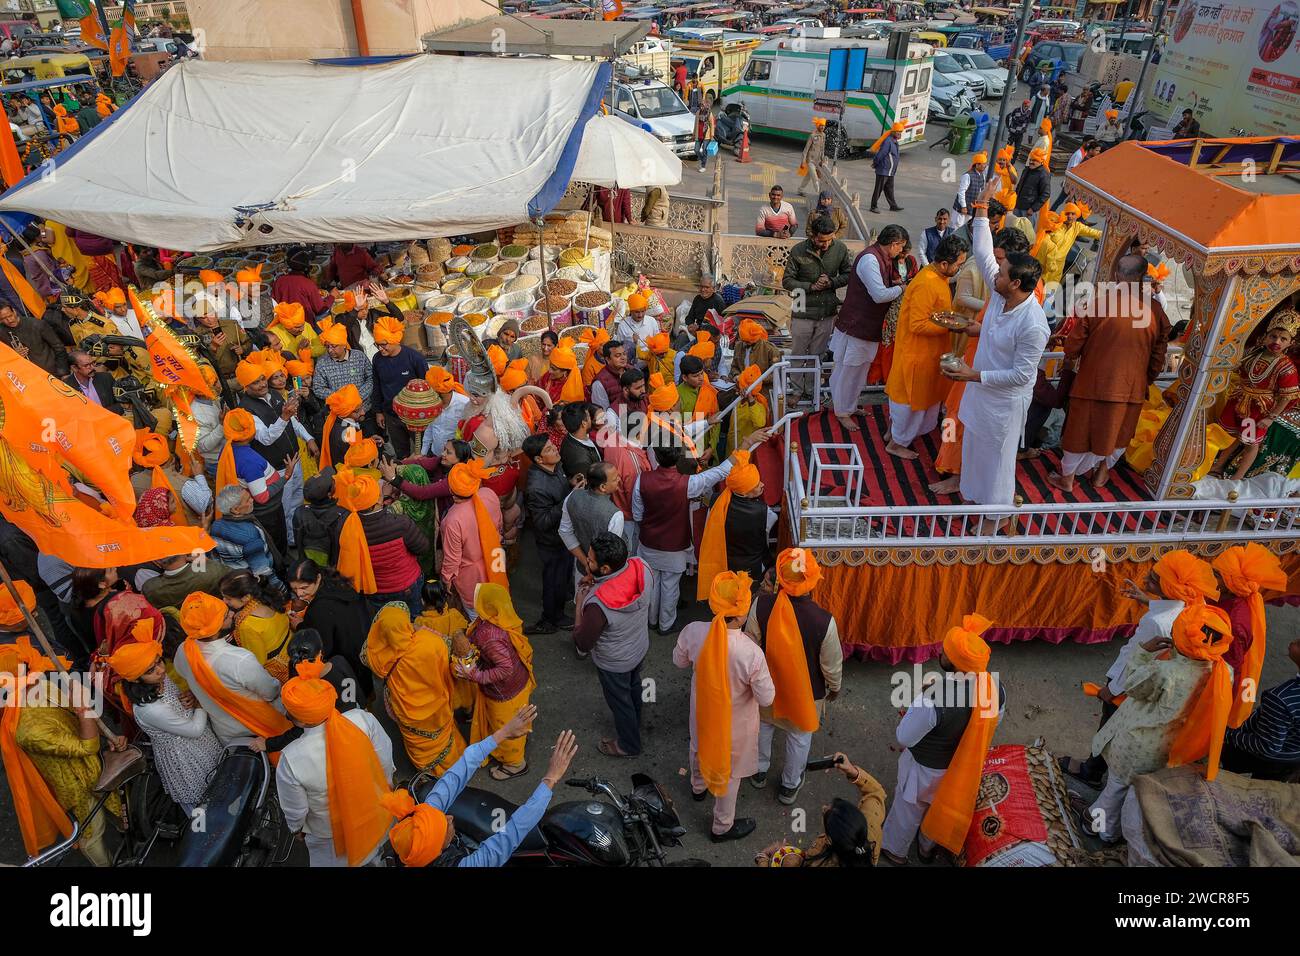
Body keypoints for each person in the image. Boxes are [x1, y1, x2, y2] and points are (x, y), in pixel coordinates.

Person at [1059, 550, 1217, 788]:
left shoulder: (1156, 623)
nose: (1145, 579)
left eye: (1153, 579)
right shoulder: (1191, 607)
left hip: (1129, 684)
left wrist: (1111, 690)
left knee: (1109, 727)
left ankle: (1091, 771)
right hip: (1149, 683)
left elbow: (1135, 658)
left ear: (1169, 589)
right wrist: (1147, 599)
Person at [1084, 603, 1234, 843]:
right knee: (1136, 791)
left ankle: (1103, 830)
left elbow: (1132, 685)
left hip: (1138, 744)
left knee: (1115, 789)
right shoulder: (1224, 672)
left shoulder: (1165, 672)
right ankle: (1122, 828)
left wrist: (1143, 652)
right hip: (1171, 748)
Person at [942, 183, 1049, 516]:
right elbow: (985, 253)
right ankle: (974, 500)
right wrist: (983, 206)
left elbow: (1020, 376)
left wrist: (972, 375)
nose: (994, 274)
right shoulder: (1003, 295)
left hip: (1003, 404)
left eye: (1001, 273)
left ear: (1016, 283)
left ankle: (996, 518)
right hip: (980, 395)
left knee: (997, 464)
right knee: (973, 452)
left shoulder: (1033, 324)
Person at [384, 706, 578, 867]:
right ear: (440, 848)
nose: (450, 817)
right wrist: (550, 778)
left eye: (442, 816)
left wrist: (503, 733)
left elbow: (455, 776)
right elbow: (512, 833)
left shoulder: (421, 824)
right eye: (445, 825)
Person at [880, 614, 1003, 865]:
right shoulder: (996, 688)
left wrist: (917, 704)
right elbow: (992, 723)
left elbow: (904, 737)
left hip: (927, 769)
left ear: (955, 663)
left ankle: (895, 851)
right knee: (942, 807)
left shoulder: (934, 699)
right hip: (963, 766)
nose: (941, 652)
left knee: (909, 808)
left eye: (945, 651)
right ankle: (927, 849)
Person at [1049, 254, 1170, 492]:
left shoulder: (1099, 303)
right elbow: (1159, 354)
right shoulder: (1155, 309)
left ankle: (1067, 479)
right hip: (1131, 387)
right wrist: (1146, 379)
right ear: (1143, 277)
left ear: (1116, 276)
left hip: (1092, 383)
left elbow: (1073, 347)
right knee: (1119, 434)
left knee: (1079, 433)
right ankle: (1101, 474)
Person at [634, 429, 770, 633]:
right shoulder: (688, 484)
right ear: (679, 457)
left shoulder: (641, 480)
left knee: (652, 584)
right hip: (674, 545)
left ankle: (651, 621)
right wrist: (746, 443)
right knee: (670, 586)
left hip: (648, 542)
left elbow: (638, 515)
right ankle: (666, 624)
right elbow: (722, 471)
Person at [673, 571, 775, 842]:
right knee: (729, 773)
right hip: (736, 726)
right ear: (742, 613)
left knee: (697, 746)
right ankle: (722, 826)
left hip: (701, 712)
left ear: (713, 604)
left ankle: (697, 787)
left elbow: (679, 662)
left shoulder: (694, 631)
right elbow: (767, 698)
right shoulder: (750, 652)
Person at [3, 639, 125, 866]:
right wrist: (84, 709)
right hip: (75, 785)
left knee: (119, 810)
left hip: (95, 763)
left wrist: (109, 735)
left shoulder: (42, 687)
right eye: (28, 667)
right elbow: (87, 745)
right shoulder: (28, 731)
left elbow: (77, 719)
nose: (37, 668)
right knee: (92, 834)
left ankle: (128, 836)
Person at [277, 657, 396, 866]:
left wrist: (297, 830)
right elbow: (385, 759)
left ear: (301, 720)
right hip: (376, 811)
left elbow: (296, 810)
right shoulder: (361, 719)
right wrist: (386, 786)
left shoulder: (290, 759)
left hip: (330, 835)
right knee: (379, 853)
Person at [747, 548, 843, 803]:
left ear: (779, 577)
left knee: (763, 727)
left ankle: (758, 772)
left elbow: (751, 646)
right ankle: (789, 785)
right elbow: (831, 665)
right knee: (799, 738)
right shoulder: (824, 621)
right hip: (806, 692)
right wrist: (834, 687)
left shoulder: (761, 605)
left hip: (767, 687)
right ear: (811, 581)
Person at [108, 624, 223, 815]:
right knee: (204, 810)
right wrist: (200, 703)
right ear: (136, 679)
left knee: (221, 793)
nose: (160, 670)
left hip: (202, 745)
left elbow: (181, 703)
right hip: (187, 759)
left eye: (159, 661)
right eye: (150, 670)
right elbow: (194, 730)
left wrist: (191, 697)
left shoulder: (158, 681)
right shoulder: (150, 709)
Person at [883, 234, 969, 459]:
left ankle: (894, 434)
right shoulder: (927, 283)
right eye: (958, 264)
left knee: (922, 401)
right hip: (917, 356)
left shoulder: (938, 279)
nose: (959, 269)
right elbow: (918, 324)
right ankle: (896, 442)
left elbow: (935, 314)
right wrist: (951, 327)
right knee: (910, 405)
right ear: (944, 264)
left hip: (929, 355)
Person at [172, 591, 292, 747]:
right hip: (259, 727)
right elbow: (271, 692)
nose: (232, 614)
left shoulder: (184, 650)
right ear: (215, 627)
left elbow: (185, 675)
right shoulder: (239, 660)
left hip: (227, 732)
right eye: (225, 615)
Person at [364, 602, 467, 777]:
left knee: (420, 745)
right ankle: (456, 765)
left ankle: (431, 774)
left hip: (407, 712)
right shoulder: (430, 642)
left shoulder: (377, 654)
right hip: (437, 705)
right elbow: (452, 657)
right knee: (443, 736)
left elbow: (366, 654)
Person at [573, 532, 652, 758]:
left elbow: (582, 642)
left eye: (590, 561)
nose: (586, 563)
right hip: (638, 647)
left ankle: (628, 745)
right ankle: (635, 720)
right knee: (634, 686)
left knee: (620, 702)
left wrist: (580, 603)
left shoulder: (598, 605)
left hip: (614, 662)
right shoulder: (641, 566)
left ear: (606, 569)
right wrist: (596, 579)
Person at [454, 583, 536, 780]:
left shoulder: (489, 635)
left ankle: (515, 764)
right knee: (515, 719)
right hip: (519, 681)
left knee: (507, 727)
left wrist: (474, 675)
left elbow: (504, 668)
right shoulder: (505, 619)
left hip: (503, 693)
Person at [829, 225, 907, 426]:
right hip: (857, 326)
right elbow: (880, 295)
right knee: (848, 371)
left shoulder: (884, 259)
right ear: (893, 244)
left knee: (859, 372)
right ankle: (841, 411)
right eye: (900, 247)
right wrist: (902, 288)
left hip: (867, 327)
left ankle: (849, 406)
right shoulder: (870, 259)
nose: (901, 252)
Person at [1211, 309, 1300, 480]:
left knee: (1250, 442)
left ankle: (1237, 477)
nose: (1277, 342)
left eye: (1283, 339)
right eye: (1273, 336)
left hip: (1257, 409)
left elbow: (1287, 396)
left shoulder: (1286, 367)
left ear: (1291, 343)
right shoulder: (1254, 353)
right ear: (1265, 336)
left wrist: (1271, 417)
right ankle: (1218, 465)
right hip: (1238, 400)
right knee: (1230, 434)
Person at [754, 752, 883, 866]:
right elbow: (876, 793)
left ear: (830, 840)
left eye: (825, 814)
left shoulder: (819, 862)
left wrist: (764, 858)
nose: (823, 807)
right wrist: (852, 771)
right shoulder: (871, 828)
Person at [783, 215, 853, 398]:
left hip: (826, 310)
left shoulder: (840, 249)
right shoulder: (798, 250)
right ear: (813, 236)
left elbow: (848, 274)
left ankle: (812, 391)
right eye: (823, 241)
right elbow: (787, 281)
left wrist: (831, 282)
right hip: (801, 308)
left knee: (817, 355)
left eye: (830, 240)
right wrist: (811, 286)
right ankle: (797, 391)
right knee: (798, 354)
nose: (827, 244)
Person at [287, 560, 373, 696]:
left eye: (304, 587)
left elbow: (322, 645)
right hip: (361, 648)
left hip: (347, 666)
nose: (299, 594)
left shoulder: (320, 610)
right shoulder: (337, 584)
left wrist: (300, 626)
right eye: (294, 589)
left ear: (318, 578)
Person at [1221, 637, 1300, 781]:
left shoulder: (1280, 699)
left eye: (1299, 643)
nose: (1294, 640)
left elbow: (1267, 747)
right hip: (1293, 755)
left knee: (1231, 779)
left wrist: (1226, 734)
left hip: (1268, 760)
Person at [519, 434, 575, 636]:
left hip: (564, 537)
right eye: (549, 450)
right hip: (552, 542)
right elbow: (542, 522)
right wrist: (570, 497)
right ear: (538, 460)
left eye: (553, 446)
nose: (555, 450)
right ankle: (550, 620)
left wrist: (570, 483)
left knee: (561, 578)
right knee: (553, 580)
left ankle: (556, 612)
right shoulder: (536, 487)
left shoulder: (555, 467)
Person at [696, 449, 769, 593]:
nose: (762, 484)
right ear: (744, 492)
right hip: (750, 569)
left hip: (723, 564)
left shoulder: (717, 501)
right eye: (756, 485)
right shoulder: (765, 512)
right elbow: (764, 543)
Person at [440, 460, 506, 617]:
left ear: (451, 490)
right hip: (496, 559)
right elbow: (500, 525)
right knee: (500, 607)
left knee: (479, 618)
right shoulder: (489, 495)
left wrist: (446, 579)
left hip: (472, 576)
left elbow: (452, 559)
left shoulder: (452, 520)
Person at [220, 569, 292, 683]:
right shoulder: (267, 597)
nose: (224, 601)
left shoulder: (246, 625)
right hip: (291, 647)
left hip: (279, 668)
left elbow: (258, 660)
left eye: (228, 598)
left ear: (246, 597)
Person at [372, 315, 429, 459]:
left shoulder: (414, 359)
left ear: (394, 340)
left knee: (421, 451)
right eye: (377, 344)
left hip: (414, 417)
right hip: (392, 417)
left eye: (384, 344)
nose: (380, 348)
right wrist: (379, 411)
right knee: (401, 453)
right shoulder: (377, 359)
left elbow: (428, 387)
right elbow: (377, 385)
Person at [560, 461, 625, 582]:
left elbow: (565, 532)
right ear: (603, 487)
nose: (619, 480)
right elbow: (611, 553)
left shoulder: (572, 497)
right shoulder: (615, 515)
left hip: (582, 568)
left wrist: (586, 563)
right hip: (604, 576)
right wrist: (592, 569)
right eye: (615, 478)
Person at [0, 304, 68, 376]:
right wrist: (14, 354)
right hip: (28, 375)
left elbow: (59, 347)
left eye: (10, 315)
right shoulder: (1, 332)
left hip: (51, 372)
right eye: (4, 318)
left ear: (14, 311)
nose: (10, 320)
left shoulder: (37, 324)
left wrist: (63, 372)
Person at [272, 249, 334, 324]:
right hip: (304, 327)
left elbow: (274, 305)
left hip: (284, 325)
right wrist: (331, 297)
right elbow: (320, 309)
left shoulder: (278, 281)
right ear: (306, 267)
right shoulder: (308, 284)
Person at [420, 366, 470, 457]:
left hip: (454, 460)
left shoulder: (465, 404)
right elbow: (429, 429)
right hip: (434, 453)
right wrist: (423, 453)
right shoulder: (432, 404)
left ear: (441, 393)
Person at [63, 349, 122, 413]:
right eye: (86, 365)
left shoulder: (106, 378)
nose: (92, 367)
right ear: (74, 368)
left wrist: (102, 413)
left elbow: (122, 404)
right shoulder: (66, 386)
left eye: (92, 363)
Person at [558, 401, 602, 480]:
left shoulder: (571, 436)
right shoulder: (581, 460)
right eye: (588, 416)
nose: (591, 419)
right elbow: (588, 487)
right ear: (583, 423)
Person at [1052, 137, 1099, 210]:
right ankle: (1051, 212)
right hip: (1072, 182)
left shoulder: (1085, 154)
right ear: (1084, 142)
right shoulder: (1079, 155)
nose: (1098, 152)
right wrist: (1071, 193)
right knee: (1061, 200)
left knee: (1071, 202)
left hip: (1074, 183)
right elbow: (1073, 171)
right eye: (1097, 150)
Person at [870, 122, 905, 214]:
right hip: (883, 171)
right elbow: (881, 154)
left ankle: (893, 206)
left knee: (889, 189)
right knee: (878, 189)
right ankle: (873, 206)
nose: (900, 134)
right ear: (893, 132)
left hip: (890, 172)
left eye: (901, 132)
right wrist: (875, 163)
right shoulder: (888, 141)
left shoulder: (894, 141)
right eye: (898, 132)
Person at [951, 152, 987, 229]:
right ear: (977, 165)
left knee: (967, 229)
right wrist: (963, 206)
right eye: (983, 164)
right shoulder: (967, 176)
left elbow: (981, 191)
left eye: (985, 164)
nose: (985, 166)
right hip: (961, 210)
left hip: (971, 209)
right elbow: (961, 192)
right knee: (956, 228)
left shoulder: (982, 176)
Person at [1013, 149, 1052, 219]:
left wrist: (1033, 208)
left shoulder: (1044, 175)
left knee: (1025, 229)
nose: (1031, 162)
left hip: (1028, 210)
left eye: (1034, 160)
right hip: (1017, 205)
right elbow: (1019, 186)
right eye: (1030, 159)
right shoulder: (1026, 170)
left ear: (1041, 161)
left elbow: (1045, 194)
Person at [798, 118, 827, 195]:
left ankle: (800, 190)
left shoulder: (824, 135)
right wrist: (803, 161)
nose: (822, 127)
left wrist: (822, 159)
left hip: (817, 161)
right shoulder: (812, 136)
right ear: (818, 125)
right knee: (814, 177)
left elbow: (822, 149)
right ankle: (820, 193)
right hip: (810, 160)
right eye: (821, 125)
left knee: (808, 176)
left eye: (823, 126)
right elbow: (806, 149)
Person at [694, 102, 715, 173]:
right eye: (700, 106)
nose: (701, 107)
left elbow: (712, 124)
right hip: (698, 134)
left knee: (704, 150)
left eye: (702, 106)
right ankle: (703, 159)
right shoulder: (697, 112)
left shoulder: (709, 113)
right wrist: (694, 134)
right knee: (696, 150)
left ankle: (703, 166)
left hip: (706, 135)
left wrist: (712, 135)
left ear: (706, 106)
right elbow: (695, 124)